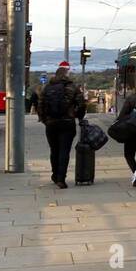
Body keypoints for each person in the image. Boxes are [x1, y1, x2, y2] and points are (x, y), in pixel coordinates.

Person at [37, 61, 86, 189]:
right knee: (64, 150)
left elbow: (40, 105)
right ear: (66, 75)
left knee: (54, 150)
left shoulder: (47, 87)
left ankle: (54, 174)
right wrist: (77, 116)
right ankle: (61, 179)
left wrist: (44, 120)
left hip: (51, 124)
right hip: (67, 123)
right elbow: (81, 104)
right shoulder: (72, 87)